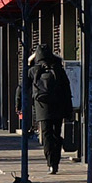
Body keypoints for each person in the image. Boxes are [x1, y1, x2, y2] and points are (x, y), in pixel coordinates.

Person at [27, 45, 73, 174]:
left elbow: (22, 87)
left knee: (46, 135)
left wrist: (19, 104)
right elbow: (67, 90)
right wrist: (68, 109)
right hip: (58, 106)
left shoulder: (33, 70)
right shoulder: (58, 69)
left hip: (42, 107)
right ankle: (56, 162)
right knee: (56, 134)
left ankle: (50, 162)